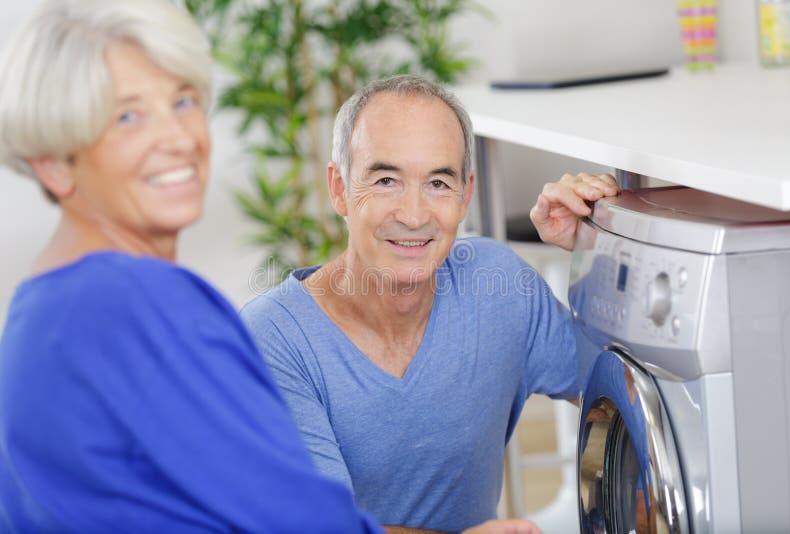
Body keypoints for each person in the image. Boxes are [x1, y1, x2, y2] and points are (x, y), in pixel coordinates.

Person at [0, 3, 537, 533]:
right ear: (53, 161)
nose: (178, 138)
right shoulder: (138, 306)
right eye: (128, 116)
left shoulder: (44, 305)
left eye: (183, 101)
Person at [240, 75, 619, 533]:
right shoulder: (272, 340)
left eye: (438, 183)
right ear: (339, 188)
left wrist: (595, 251)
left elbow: (622, 391)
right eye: (385, 180)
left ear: (466, 194)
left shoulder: (495, 285)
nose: (415, 214)